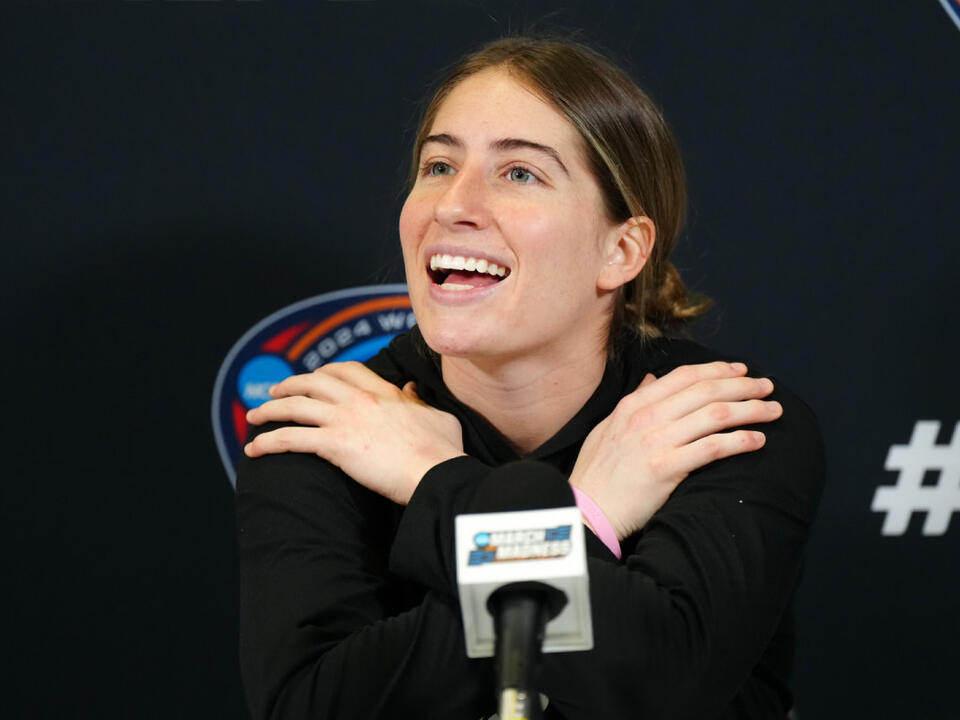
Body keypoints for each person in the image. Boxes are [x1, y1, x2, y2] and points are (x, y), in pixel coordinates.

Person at [236, 36, 824, 720]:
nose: (453, 204)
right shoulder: (328, 423)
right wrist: (587, 520)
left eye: (519, 173)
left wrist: (433, 479)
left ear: (622, 249)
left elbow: (663, 682)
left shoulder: (720, 419)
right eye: (438, 164)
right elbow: (314, 708)